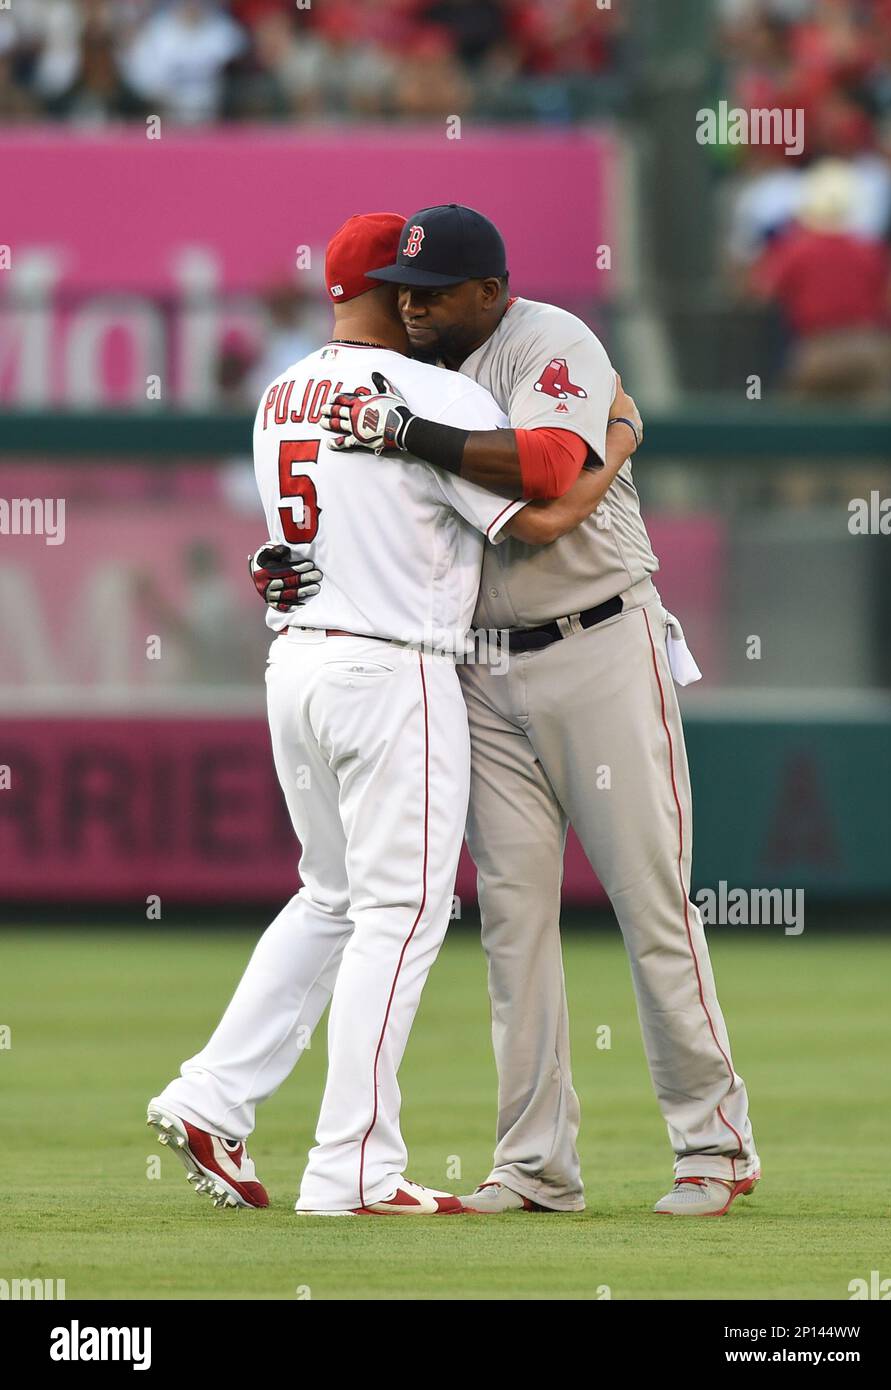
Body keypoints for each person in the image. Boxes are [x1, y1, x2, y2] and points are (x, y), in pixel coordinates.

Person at [147, 211, 635, 1216]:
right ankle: (354, 1169)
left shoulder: (279, 391)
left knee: (329, 895)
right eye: (408, 283)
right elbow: (537, 514)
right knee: (400, 915)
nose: (423, 300)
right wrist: (619, 437)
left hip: (297, 664)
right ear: (387, 286)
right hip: (393, 666)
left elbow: (300, 537)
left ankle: (211, 1094)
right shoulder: (433, 391)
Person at [306, 204, 760, 1218]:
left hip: (596, 638)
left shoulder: (546, 337)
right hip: (474, 661)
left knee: (651, 904)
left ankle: (711, 1147)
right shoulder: (405, 372)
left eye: (435, 290)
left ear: (490, 293)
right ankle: (534, 1163)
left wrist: (417, 434)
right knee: (513, 922)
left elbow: (553, 488)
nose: (414, 305)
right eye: (404, 288)